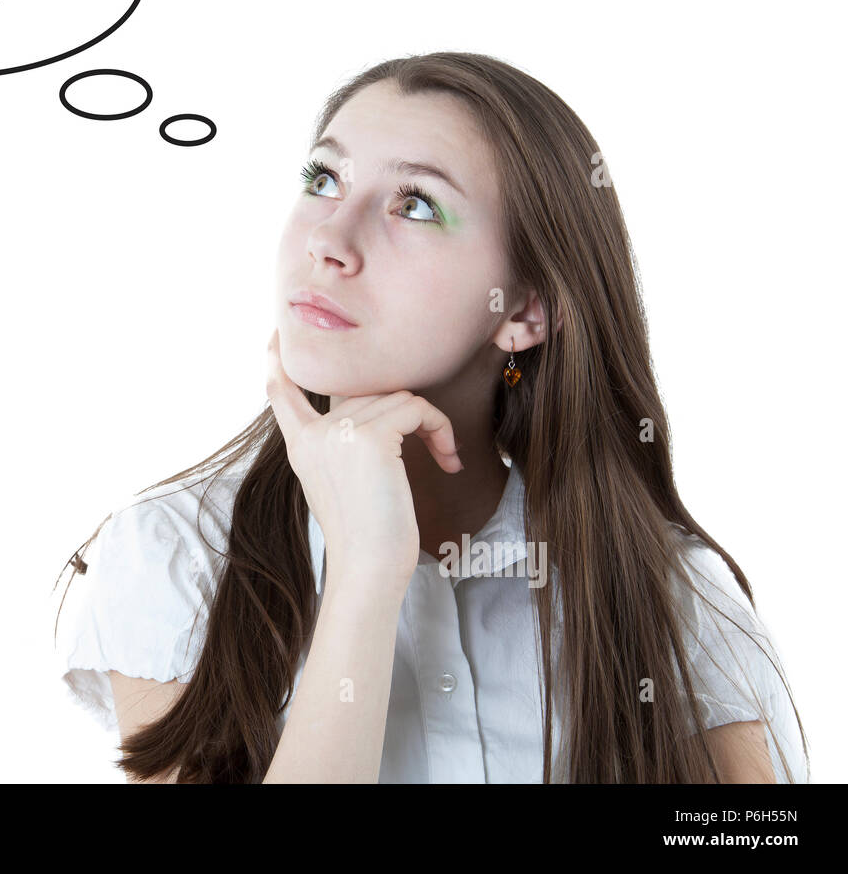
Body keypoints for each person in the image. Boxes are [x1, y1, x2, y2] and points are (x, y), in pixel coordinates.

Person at [51, 52, 809, 784]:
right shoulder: (176, 554)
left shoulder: (671, 591)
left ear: (525, 309)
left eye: (414, 204)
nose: (327, 240)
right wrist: (365, 576)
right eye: (324, 178)